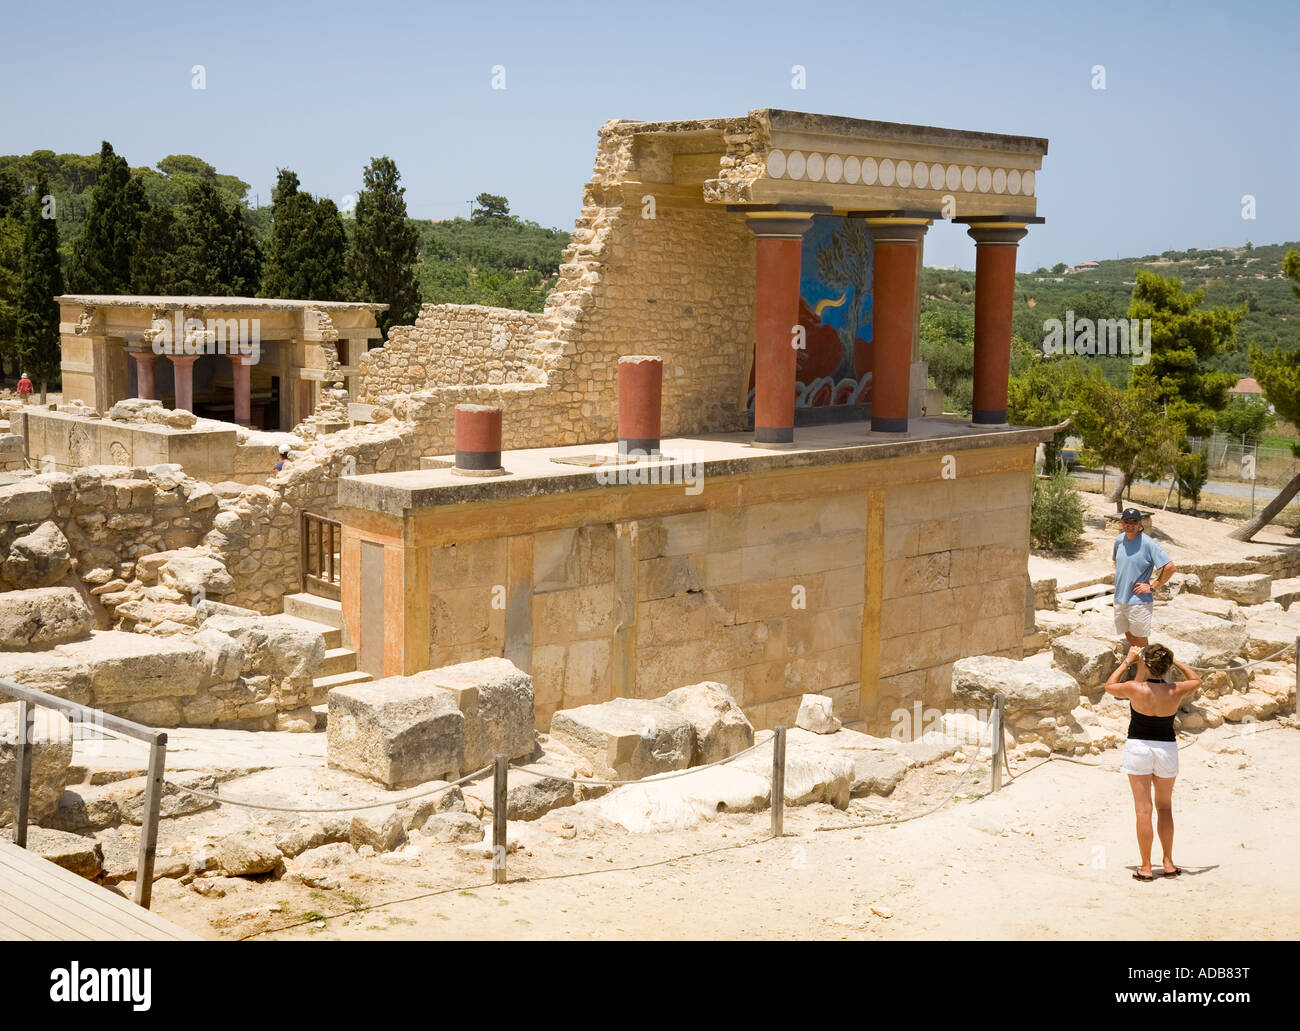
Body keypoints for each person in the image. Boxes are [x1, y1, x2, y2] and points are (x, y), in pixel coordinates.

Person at [1104, 642, 1201, 881]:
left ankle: (1146, 867)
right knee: (1165, 807)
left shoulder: (1135, 688)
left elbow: (1109, 686)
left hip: (1138, 748)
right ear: (1166, 666)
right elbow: (1196, 679)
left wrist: (1129, 660)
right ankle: (1168, 863)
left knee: (1143, 810)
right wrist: (1173, 660)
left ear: (1146, 665)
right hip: (1166, 749)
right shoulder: (1176, 689)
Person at [1112, 508, 1175, 648]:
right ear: (1122, 523)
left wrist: (1153, 586)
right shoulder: (1119, 540)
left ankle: (1143, 669)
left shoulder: (1148, 543)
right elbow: (1118, 564)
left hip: (1138, 602)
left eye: (1134, 522)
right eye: (1127, 521)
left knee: (1141, 643)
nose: (1130, 525)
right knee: (1127, 634)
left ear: (1140, 523)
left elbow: (1170, 567)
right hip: (1120, 599)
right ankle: (1137, 665)